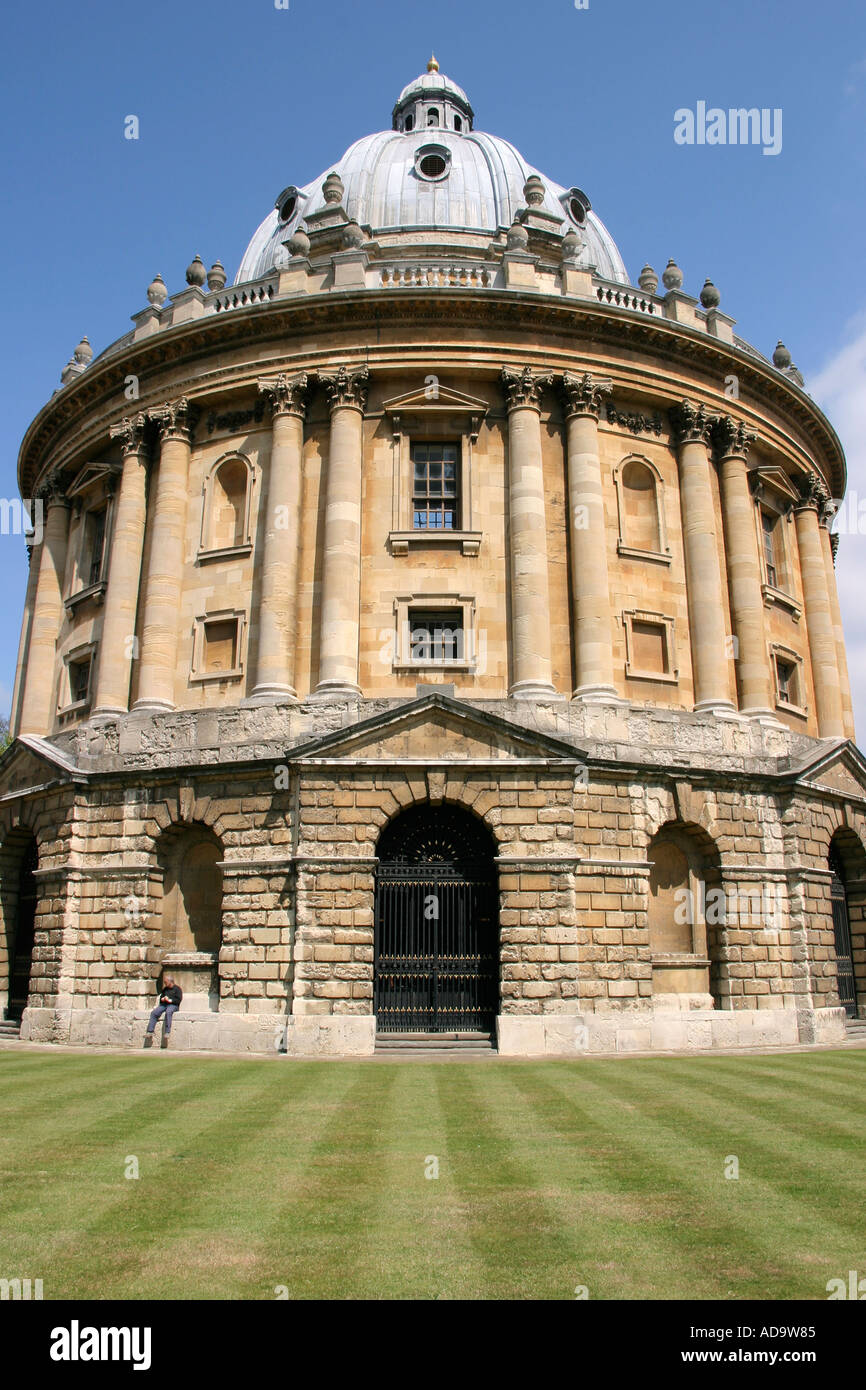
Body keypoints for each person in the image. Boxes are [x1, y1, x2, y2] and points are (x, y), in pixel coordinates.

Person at [144, 976, 183, 1048]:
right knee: (154, 1013)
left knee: (168, 1012)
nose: (165, 984)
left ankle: (167, 1032)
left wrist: (170, 1000)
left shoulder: (177, 989)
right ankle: (150, 1031)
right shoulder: (165, 989)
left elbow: (179, 999)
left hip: (173, 1005)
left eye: (166, 982)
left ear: (170, 982)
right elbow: (161, 998)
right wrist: (163, 999)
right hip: (164, 1004)